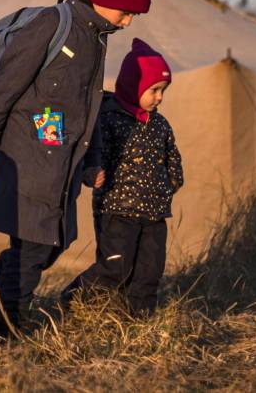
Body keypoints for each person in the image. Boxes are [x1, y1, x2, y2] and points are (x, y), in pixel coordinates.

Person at [0, 0, 153, 333]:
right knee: (32, 249)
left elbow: (89, 108)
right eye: (126, 12)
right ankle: (6, 326)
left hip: (62, 166)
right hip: (26, 160)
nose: (128, 22)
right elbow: (6, 87)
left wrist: (93, 162)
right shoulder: (52, 23)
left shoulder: (97, 38)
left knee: (51, 245)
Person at [61, 39, 182, 316]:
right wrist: (91, 173)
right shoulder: (110, 119)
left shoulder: (160, 124)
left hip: (154, 213)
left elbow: (172, 156)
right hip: (117, 209)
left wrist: (171, 183)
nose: (159, 97)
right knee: (116, 267)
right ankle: (73, 300)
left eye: (163, 90)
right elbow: (95, 153)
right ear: (133, 86)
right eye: (153, 90)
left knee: (149, 270)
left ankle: (138, 318)